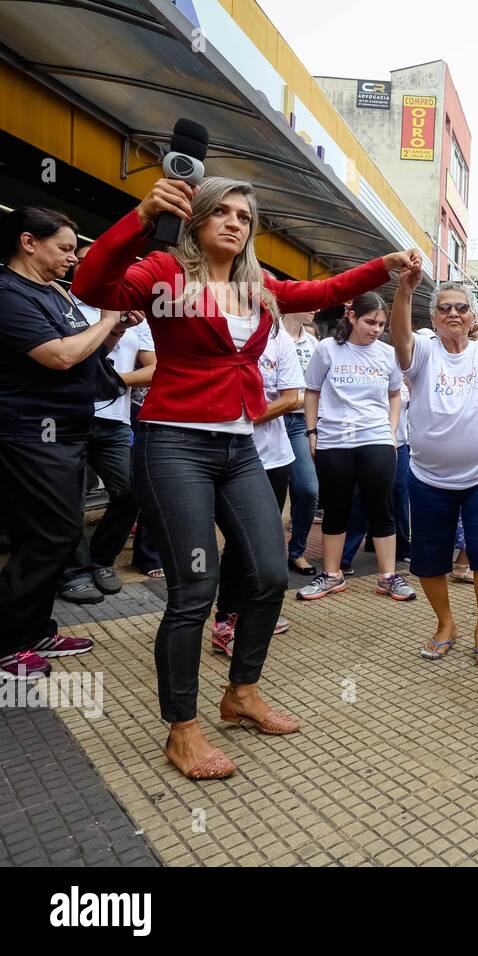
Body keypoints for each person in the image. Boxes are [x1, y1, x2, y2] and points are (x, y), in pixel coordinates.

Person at [72, 175, 419, 780]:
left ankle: (241, 693)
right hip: (173, 442)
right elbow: (91, 281)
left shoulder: (258, 289)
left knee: (265, 572)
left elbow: (325, 287)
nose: (236, 222)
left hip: (239, 447)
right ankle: (182, 729)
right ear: (197, 220)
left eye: (245, 215)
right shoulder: (163, 273)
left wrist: (381, 266)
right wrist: (140, 214)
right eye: (223, 212)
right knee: (194, 592)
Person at [392, 272, 478, 670]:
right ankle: (445, 623)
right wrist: (404, 291)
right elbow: (399, 335)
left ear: (473, 317)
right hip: (429, 479)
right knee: (429, 560)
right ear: (433, 318)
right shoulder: (421, 352)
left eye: (461, 308)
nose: (453, 313)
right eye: (444, 308)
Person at [0, 208, 106, 680]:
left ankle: (34, 630)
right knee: (54, 533)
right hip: (30, 434)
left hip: (67, 432)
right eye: (64, 248)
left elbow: (84, 347)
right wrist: (109, 319)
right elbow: (60, 356)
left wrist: (113, 329)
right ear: (28, 242)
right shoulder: (8, 292)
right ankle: (7, 642)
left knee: (43, 533)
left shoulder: (54, 292)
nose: (72, 257)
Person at [296, 292, 414, 602]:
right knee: (336, 507)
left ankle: (388, 576)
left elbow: (394, 395)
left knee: (381, 507)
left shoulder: (387, 354)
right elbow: (312, 391)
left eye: (381, 324)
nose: (376, 329)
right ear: (352, 317)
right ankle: (332, 574)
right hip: (334, 439)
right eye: (370, 322)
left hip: (375, 438)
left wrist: (389, 432)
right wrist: (312, 431)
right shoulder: (327, 349)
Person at [58, 244, 156, 605]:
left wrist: (113, 382)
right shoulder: (62, 306)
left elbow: (154, 369)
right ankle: (74, 571)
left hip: (114, 421)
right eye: (83, 262)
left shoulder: (131, 314)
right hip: (67, 418)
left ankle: (101, 559)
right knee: (69, 499)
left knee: (130, 492)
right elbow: (68, 360)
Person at [210, 319, 305, 653]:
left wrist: (243, 417)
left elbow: (292, 397)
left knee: (266, 538)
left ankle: (253, 611)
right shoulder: (213, 328)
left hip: (274, 457)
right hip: (223, 455)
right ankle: (225, 620)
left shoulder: (279, 338)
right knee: (239, 541)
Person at [340, 375, 412, 575]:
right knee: (363, 498)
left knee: (400, 495)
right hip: (370, 443)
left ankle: (403, 548)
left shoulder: (405, 374)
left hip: (400, 444)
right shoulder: (370, 373)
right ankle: (345, 556)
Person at [280, 311, 320, 577]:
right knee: (265, 495)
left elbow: (318, 387)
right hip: (267, 420)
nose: (316, 307)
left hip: (299, 424)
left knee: (307, 489)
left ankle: (296, 551)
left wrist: (314, 427)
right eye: (310, 302)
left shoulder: (314, 345)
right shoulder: (270, 334)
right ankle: (247, 549)